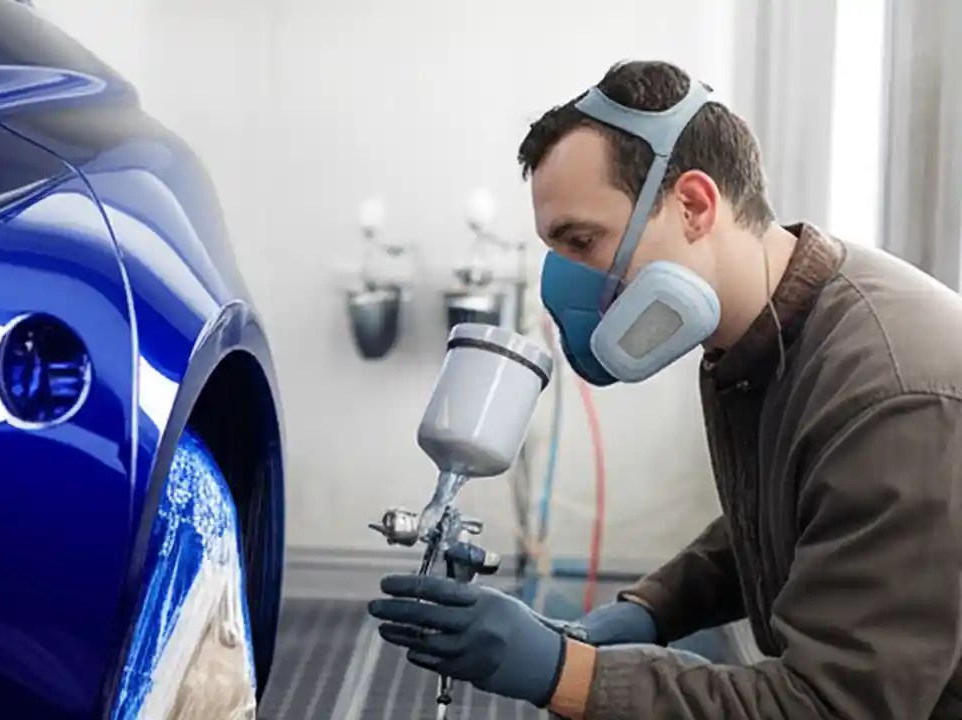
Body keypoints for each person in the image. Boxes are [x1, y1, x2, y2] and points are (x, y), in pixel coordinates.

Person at [368, 59, 962, 719]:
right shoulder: (765, 334)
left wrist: (568, 675)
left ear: (695, 205)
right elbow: (793, 519)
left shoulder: (891, 397)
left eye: (583, 241)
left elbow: (827, 707)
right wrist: (650, 611)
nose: (569, 284)